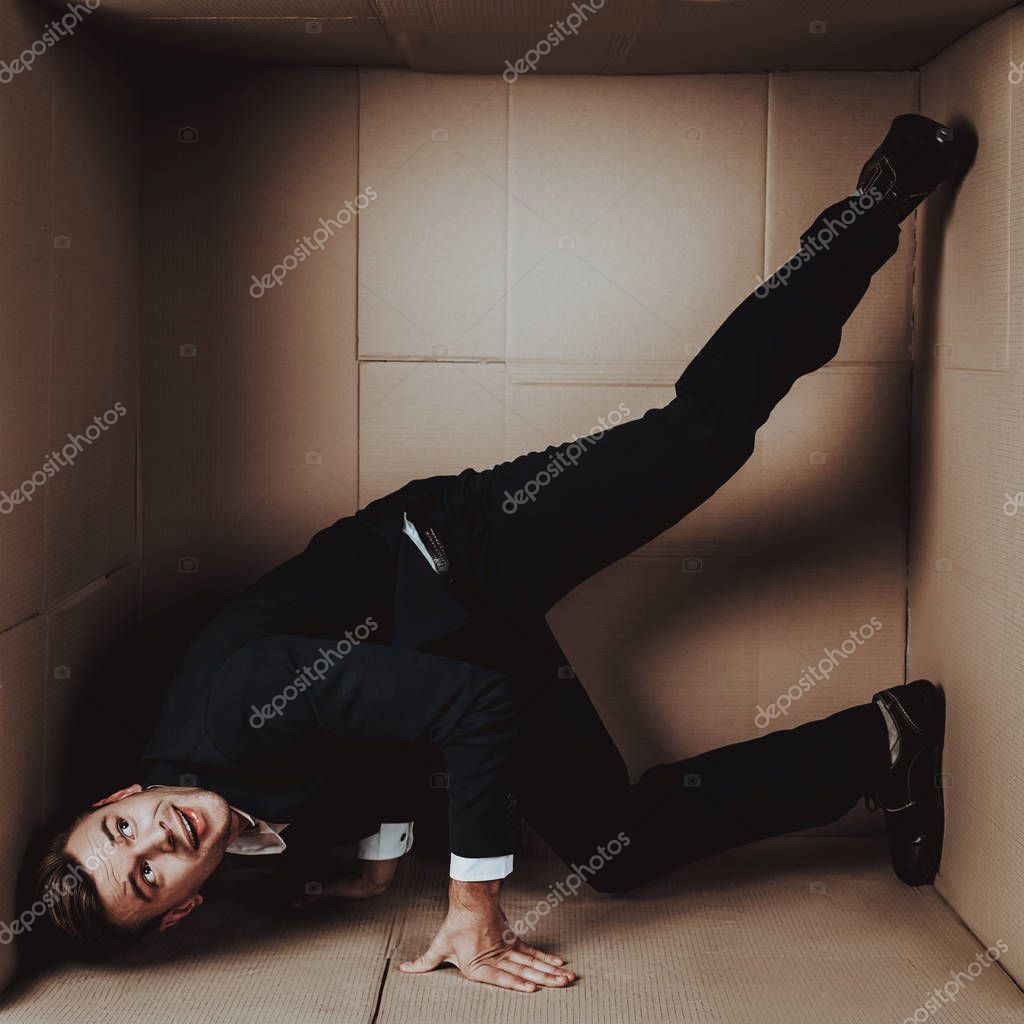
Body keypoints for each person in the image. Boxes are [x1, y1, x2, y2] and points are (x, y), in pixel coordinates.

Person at [35, 114, 975, 994]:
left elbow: (464, 708)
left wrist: (474, 905)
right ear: (180, 911)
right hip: (446, 647)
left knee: (704, 435)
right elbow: (370, 719)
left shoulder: (235, 709)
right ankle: (883, 743)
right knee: (615, 853)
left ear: (121, 791)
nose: (157, 837)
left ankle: (875, 205)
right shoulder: (237, 849)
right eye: (148, 876)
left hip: (455, 550)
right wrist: (383, 851)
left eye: (123, 825)